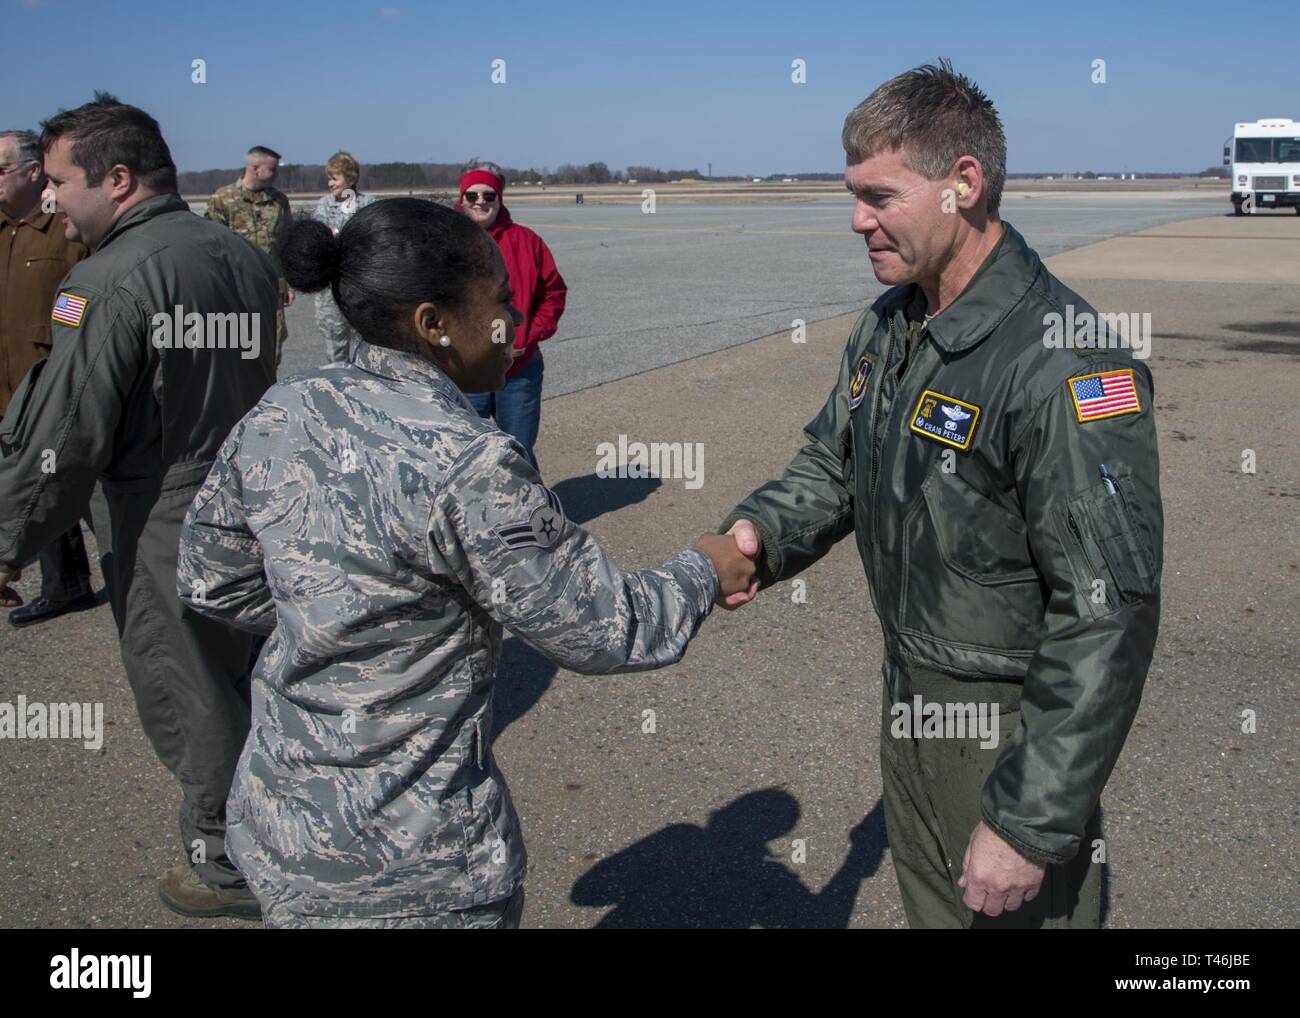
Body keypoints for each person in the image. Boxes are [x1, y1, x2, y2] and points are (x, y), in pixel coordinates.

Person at [175, 198, 754, 928]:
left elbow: (209, 574)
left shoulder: (282, 411)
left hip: (282, 833)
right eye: (500, 303)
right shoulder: (469, 462)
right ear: (433, 324)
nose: (512, 322)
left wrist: (334, 612)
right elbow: (606, 627)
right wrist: (705, 569)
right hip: (414, 873)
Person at [719, 61, 1163, 929]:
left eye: (880, 196)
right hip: (913, 704)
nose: (858, 221)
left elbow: (1108, 612)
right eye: (853, 196)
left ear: (964, 184)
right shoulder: (891, 325)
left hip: (1007, 728)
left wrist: (1028, 822)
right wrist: (756, 536)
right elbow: (833, 465)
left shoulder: (1067, 363)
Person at [0, 93, 279, 919]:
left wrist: (7, 541)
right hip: (248, 496)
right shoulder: (237, 256)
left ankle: (226, 864)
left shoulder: (107, 279)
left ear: (117, 179)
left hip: (164, 509)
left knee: (186, 689)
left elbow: (63, 436)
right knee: (246, 677)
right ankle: (282, 821)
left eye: (58, 181)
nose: (50, 199)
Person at [0, 129, 95, 625]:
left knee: (92, 495)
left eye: (0, 169)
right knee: (32, 487)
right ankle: (65, 586)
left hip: (59, 384)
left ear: (33, 172)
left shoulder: (66, 227)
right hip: (8, 388)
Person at [457, 162, 566, 469]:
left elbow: (554, 293)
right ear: (462, 197)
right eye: (472, 195)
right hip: (466, 371)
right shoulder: (445, 243)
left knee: (517, 452)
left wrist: (530, 335)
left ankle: (528, 511)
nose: (480, 202)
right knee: (466, 454)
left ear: (500, 198)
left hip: (518, 368)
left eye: (489, 195)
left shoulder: (527, 241)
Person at [204, 145, 292, 369]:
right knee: (238, 352)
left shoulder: (279, 201)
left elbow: (285, 243)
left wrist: (286, 283)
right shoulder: (223, 199)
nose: (276, 175)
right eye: (272, 170)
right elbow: (211, 249)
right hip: (236, 289)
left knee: (272, 349)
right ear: (254, 168)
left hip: (271, 288)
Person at [310, 150, 375, 363]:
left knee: (369, 346)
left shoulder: (368, 204)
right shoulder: (324, 205)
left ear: (351, 179)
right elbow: (320, 239)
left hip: (363, 288)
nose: (330, 183)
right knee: (335, 348)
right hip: (331, 291)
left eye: (334, 178)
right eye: (329, 178)